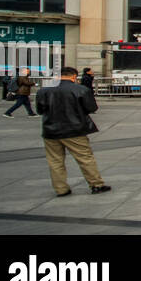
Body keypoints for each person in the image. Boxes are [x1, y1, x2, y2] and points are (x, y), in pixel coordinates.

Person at [36, 66, 110, 197]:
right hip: (74, 129)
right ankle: (96, 184)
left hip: (50, 130)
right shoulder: (81, 90)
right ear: (74, 77)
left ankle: (61, 189)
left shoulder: (44, 91)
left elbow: (40, 110)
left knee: (55, 161)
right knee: (85, 158)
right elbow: (91, 107)